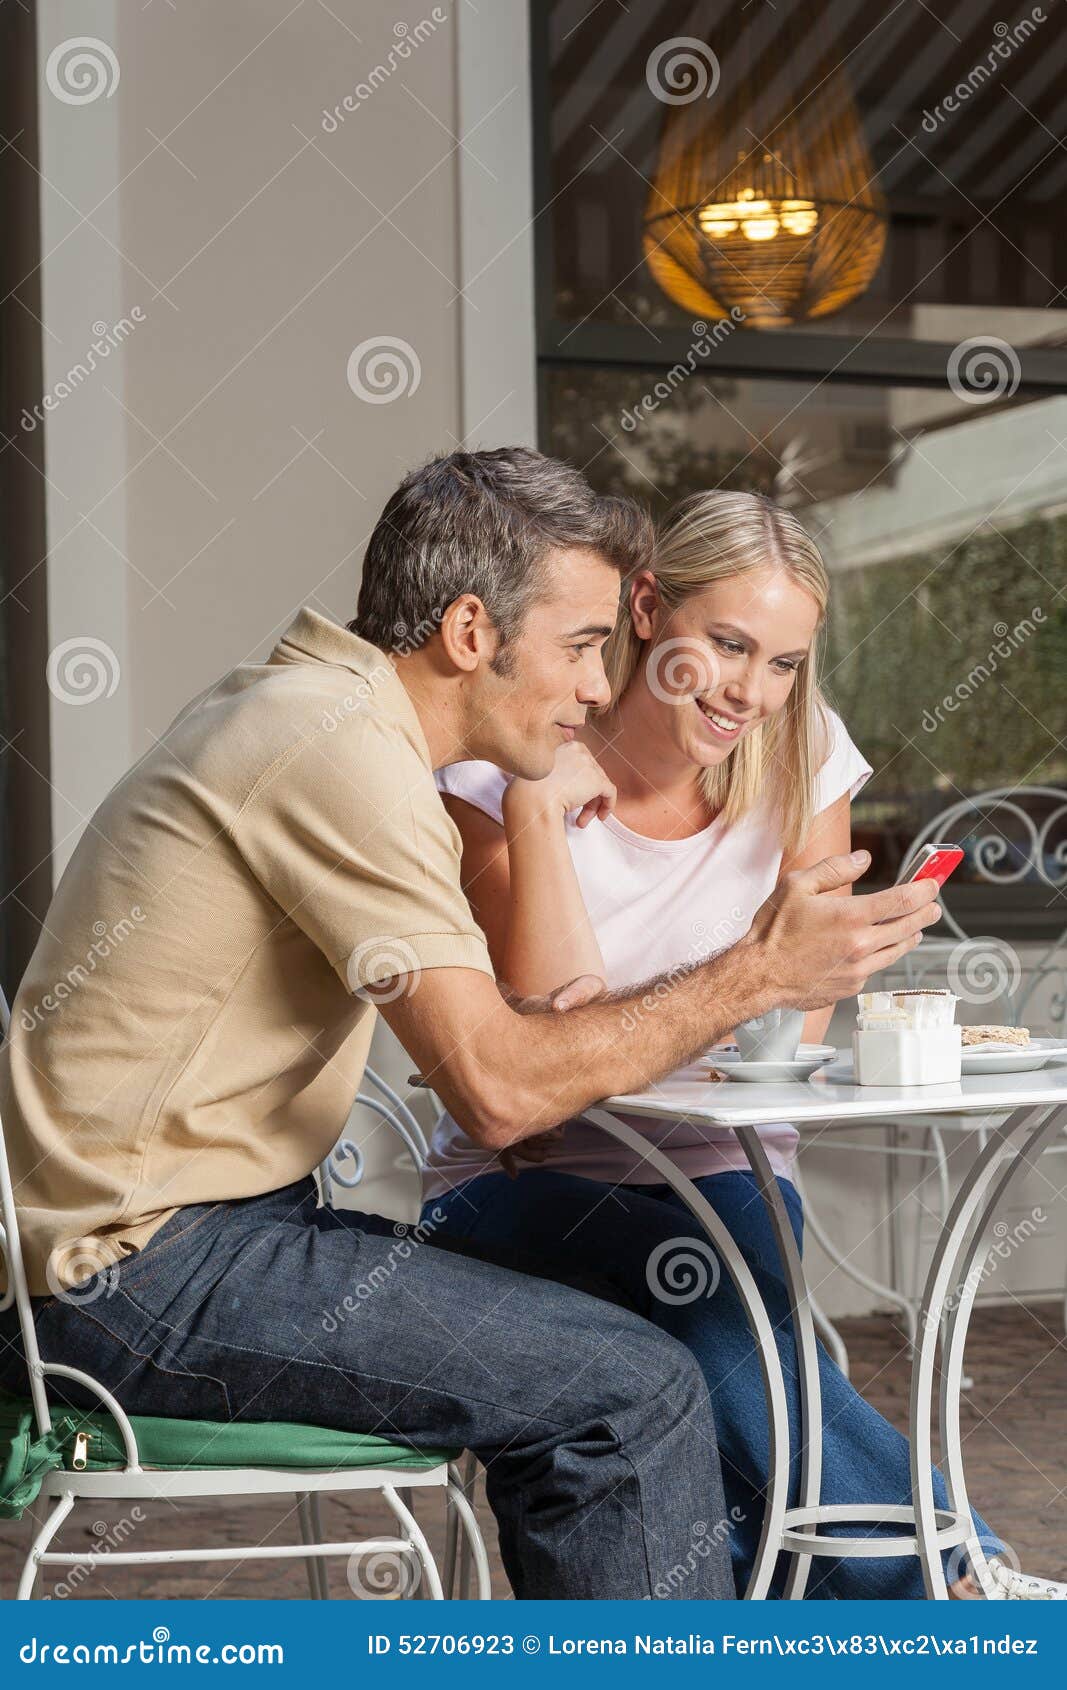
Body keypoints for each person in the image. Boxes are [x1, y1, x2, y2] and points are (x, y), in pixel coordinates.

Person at [0, 451, 940, 1601]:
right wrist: (751, 971)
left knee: (642, 1347)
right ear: (466, 631)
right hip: (133, 1273)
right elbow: (497, 1093)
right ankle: (913, 1585)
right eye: (586, 644)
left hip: (202, 1234)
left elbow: (506, 1066)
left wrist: (563, 1044)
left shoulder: (324, 715)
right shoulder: (340, 751)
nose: (603, 688)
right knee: (623, 1389)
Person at [425, 488, 1062, 1601]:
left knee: (711, 1320)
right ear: (643, 604)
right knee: (720, 1303)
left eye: (780, 662)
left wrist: (816, 965)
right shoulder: (513, 759)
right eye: (724, 646)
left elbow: (781, 1044)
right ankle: (950, 1574)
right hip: (513, 1193)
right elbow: (538, 1051)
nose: (748, 692)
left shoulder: (800, 753)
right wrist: (539, 813)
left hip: (730, 1178)